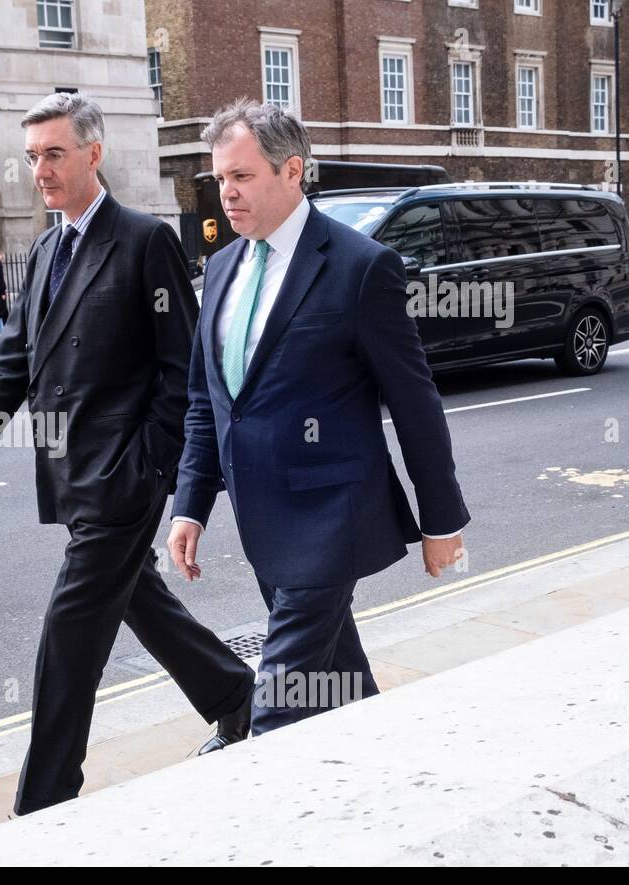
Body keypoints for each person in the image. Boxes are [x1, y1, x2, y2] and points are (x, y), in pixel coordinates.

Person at [0, 92, 255, 817]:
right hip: (70, 480)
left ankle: (42, 806)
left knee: (68, 638)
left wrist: (148, 470)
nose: (40, 170)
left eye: (55, 154)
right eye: (33, 156)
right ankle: (238, 699)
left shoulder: (143, 242)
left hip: (122, 485)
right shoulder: (45, 248)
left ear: (93, 154)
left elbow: (184, 373)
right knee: (138, 600)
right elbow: (12, 360)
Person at [167, 98, 470, 738]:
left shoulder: (361, 268)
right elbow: (207, 399)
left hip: (331, 519)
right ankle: (391, 770)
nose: (226, 193)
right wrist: (191, 504)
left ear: (292, 171)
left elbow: (415, 404)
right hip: (263, 521)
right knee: (340, 683)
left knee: (277, 712)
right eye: (220, 179)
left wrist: (440, 518)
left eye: (242, 177)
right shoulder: (220, 268)